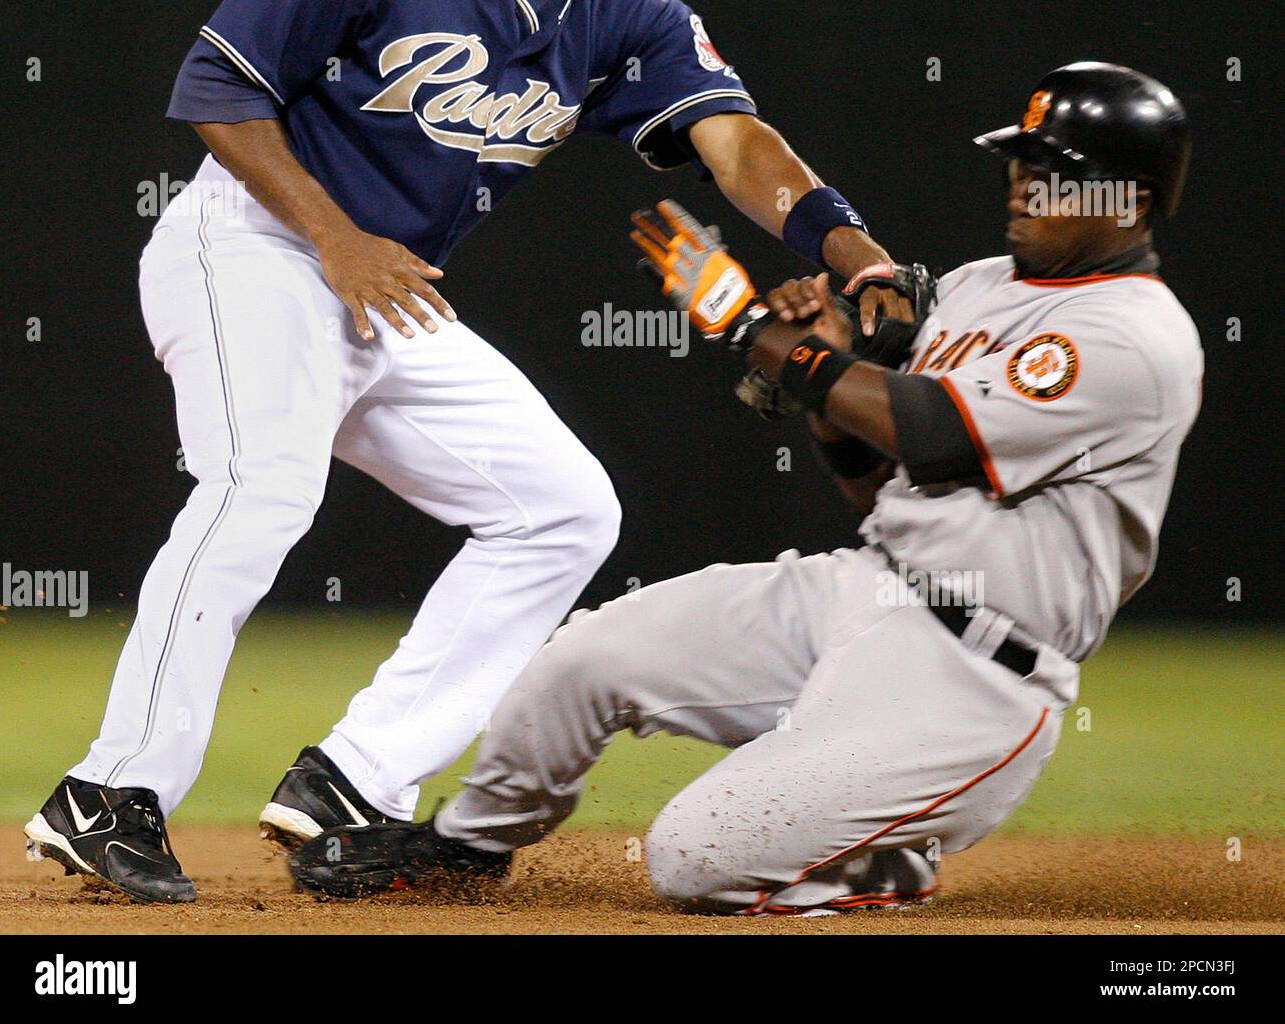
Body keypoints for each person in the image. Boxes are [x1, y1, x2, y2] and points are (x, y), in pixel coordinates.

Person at [23, 0, 903, 904]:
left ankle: (353, 773)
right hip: (253, 246)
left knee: (563, 507)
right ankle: (108, 792)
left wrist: (857, 248)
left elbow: (736, 144)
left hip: (386, 287)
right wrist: (335, 239)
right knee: (261, 487)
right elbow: (218, 91)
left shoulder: (623, 13)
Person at [289, 63, 1204, 916]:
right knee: (583, 657)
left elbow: (935, 431)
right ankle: (467, 849)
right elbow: (875, 478)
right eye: (1021, 161)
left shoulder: (1134, 336)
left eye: (1054, 169)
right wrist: (829, 375)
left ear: (1134, 198)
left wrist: (757, 330)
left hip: (976, 673)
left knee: (692, 859)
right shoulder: (976, 288)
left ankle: (876, 855)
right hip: (865, 588)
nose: (1024, 184)